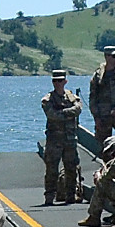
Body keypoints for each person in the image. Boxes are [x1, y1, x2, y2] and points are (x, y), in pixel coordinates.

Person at [38, 68, 83, 205]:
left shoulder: (72, 97)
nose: (57, 83)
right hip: (54, 140)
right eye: (55, 81)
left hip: (70, 139)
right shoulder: (48, 99)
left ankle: (71, 196)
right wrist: (68, 113)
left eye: (60, 81)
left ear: (65, 81)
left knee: (71, 168)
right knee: (52, 169)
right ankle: (49, 197)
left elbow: (78, 109)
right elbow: (52, 115)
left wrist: (63, 112)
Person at [81, 134, 115, 227]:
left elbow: (108, 176)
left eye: (114, 152)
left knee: (103, 182)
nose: (113, 155)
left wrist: (99, 174)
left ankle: (94, 217)